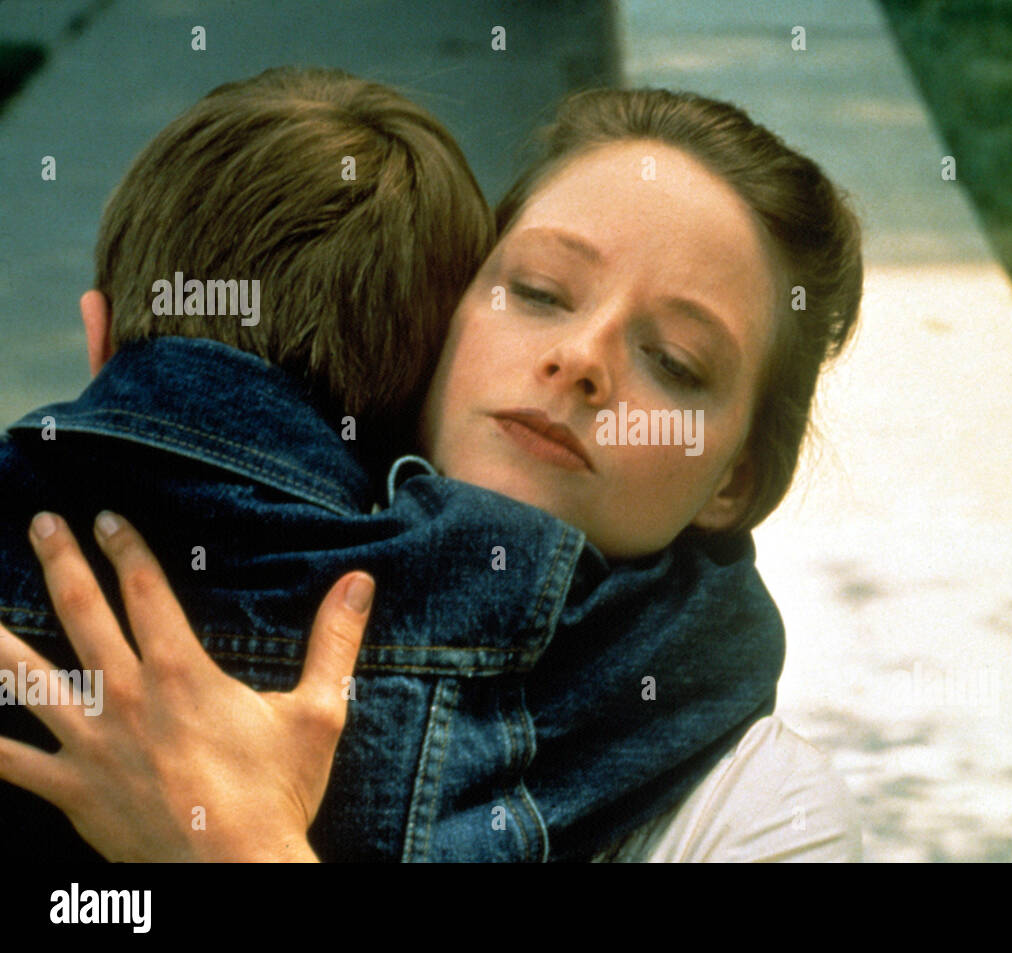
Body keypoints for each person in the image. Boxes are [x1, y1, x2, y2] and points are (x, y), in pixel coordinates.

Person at [0, 80, 865, 861]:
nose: (581, 357)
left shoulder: (766, 812)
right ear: (439, 314)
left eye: (675, 361)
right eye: (537, 290)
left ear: (733, 480)